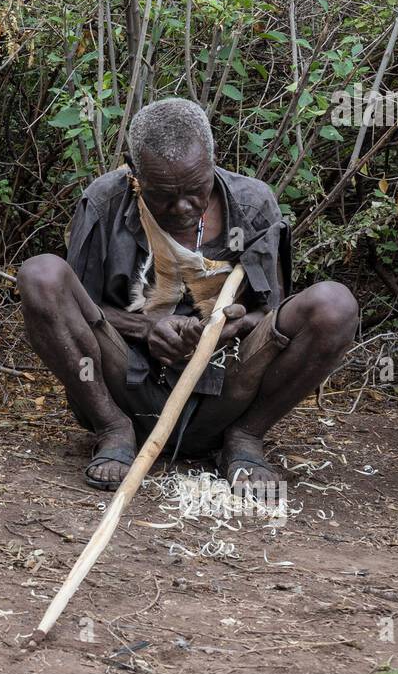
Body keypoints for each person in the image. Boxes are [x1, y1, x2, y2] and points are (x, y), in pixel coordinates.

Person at [19, 98, 359, 490]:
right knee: (41, 274)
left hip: (228, 392)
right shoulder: (105, 202)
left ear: (213, 160)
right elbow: (76, 308)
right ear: (135, 169)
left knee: (334, 304)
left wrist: (228, 326)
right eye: (162, 194)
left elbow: (273, 313)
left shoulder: (253, 204)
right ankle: (112, 429)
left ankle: (245, 437)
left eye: (196, 189)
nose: (182, 207)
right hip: (126, 386)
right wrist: (147, 328)